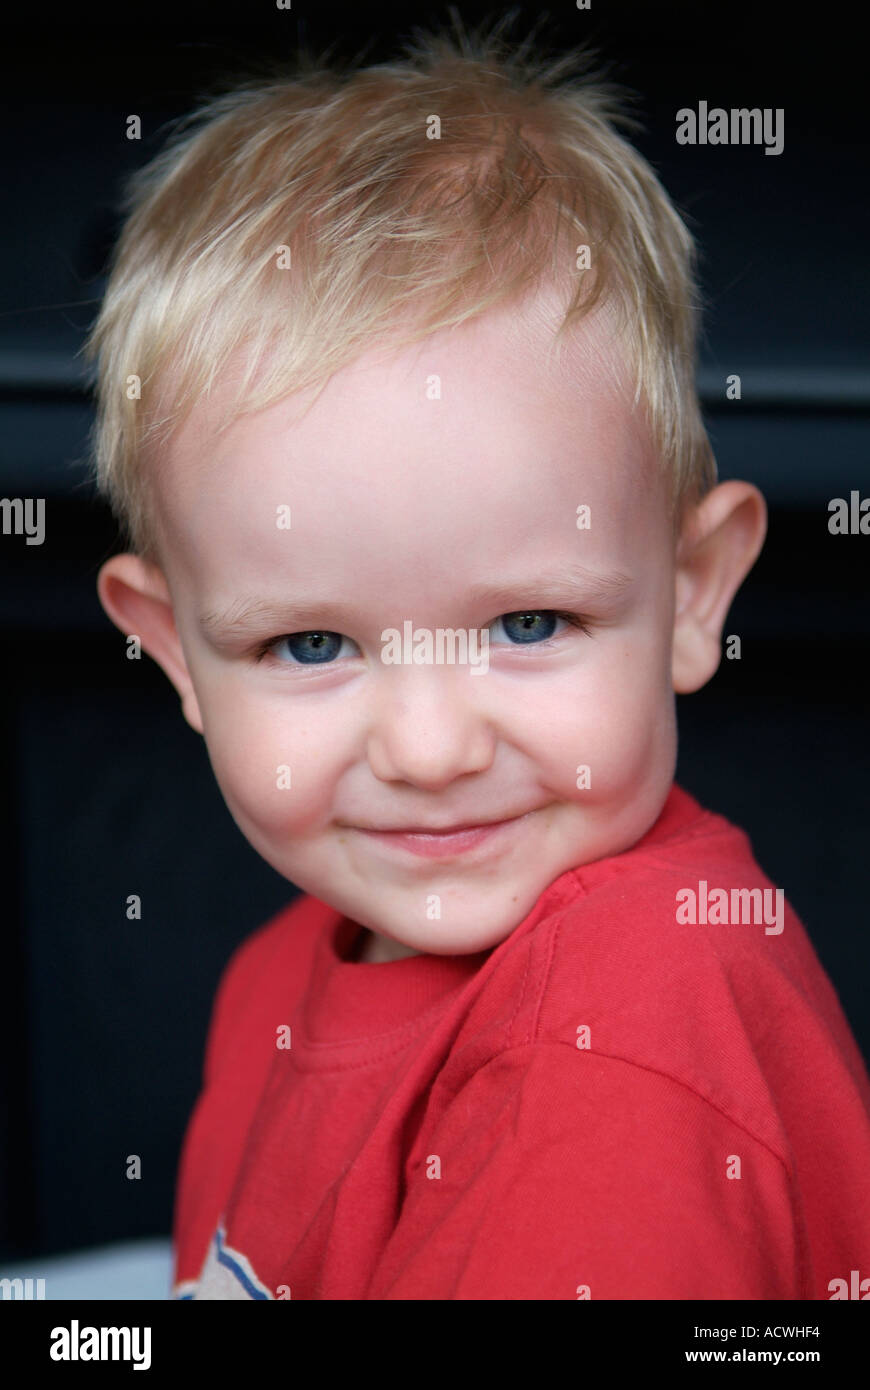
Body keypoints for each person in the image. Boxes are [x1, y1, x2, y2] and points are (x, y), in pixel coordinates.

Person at [83, 21, 870, 1299]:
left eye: (527, 625)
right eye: (312, 642)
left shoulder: (625, 1036)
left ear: (691, 595)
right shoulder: (279, 975)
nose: (432, 749)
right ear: (175, 653)